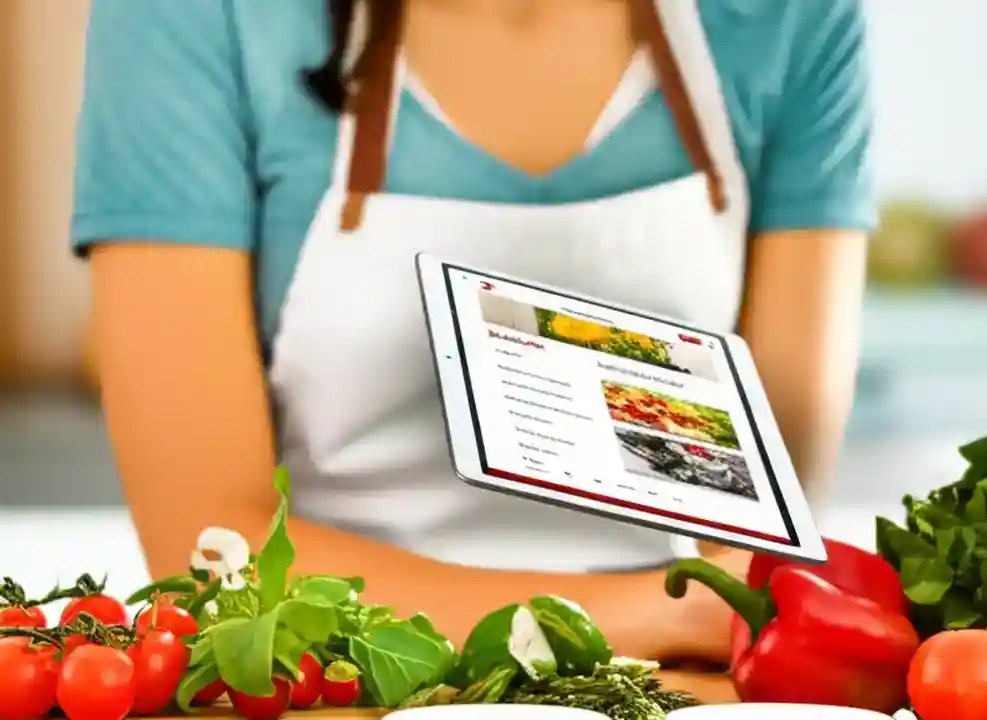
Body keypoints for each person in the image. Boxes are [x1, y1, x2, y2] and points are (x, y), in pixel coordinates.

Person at [75, 0, 874, 662]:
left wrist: (707, 612)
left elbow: (766, 522)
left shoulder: (790, 17)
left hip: (680, 689)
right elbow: (212, 557)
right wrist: (666, 615)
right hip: (330, 680)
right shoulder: (195, 16)